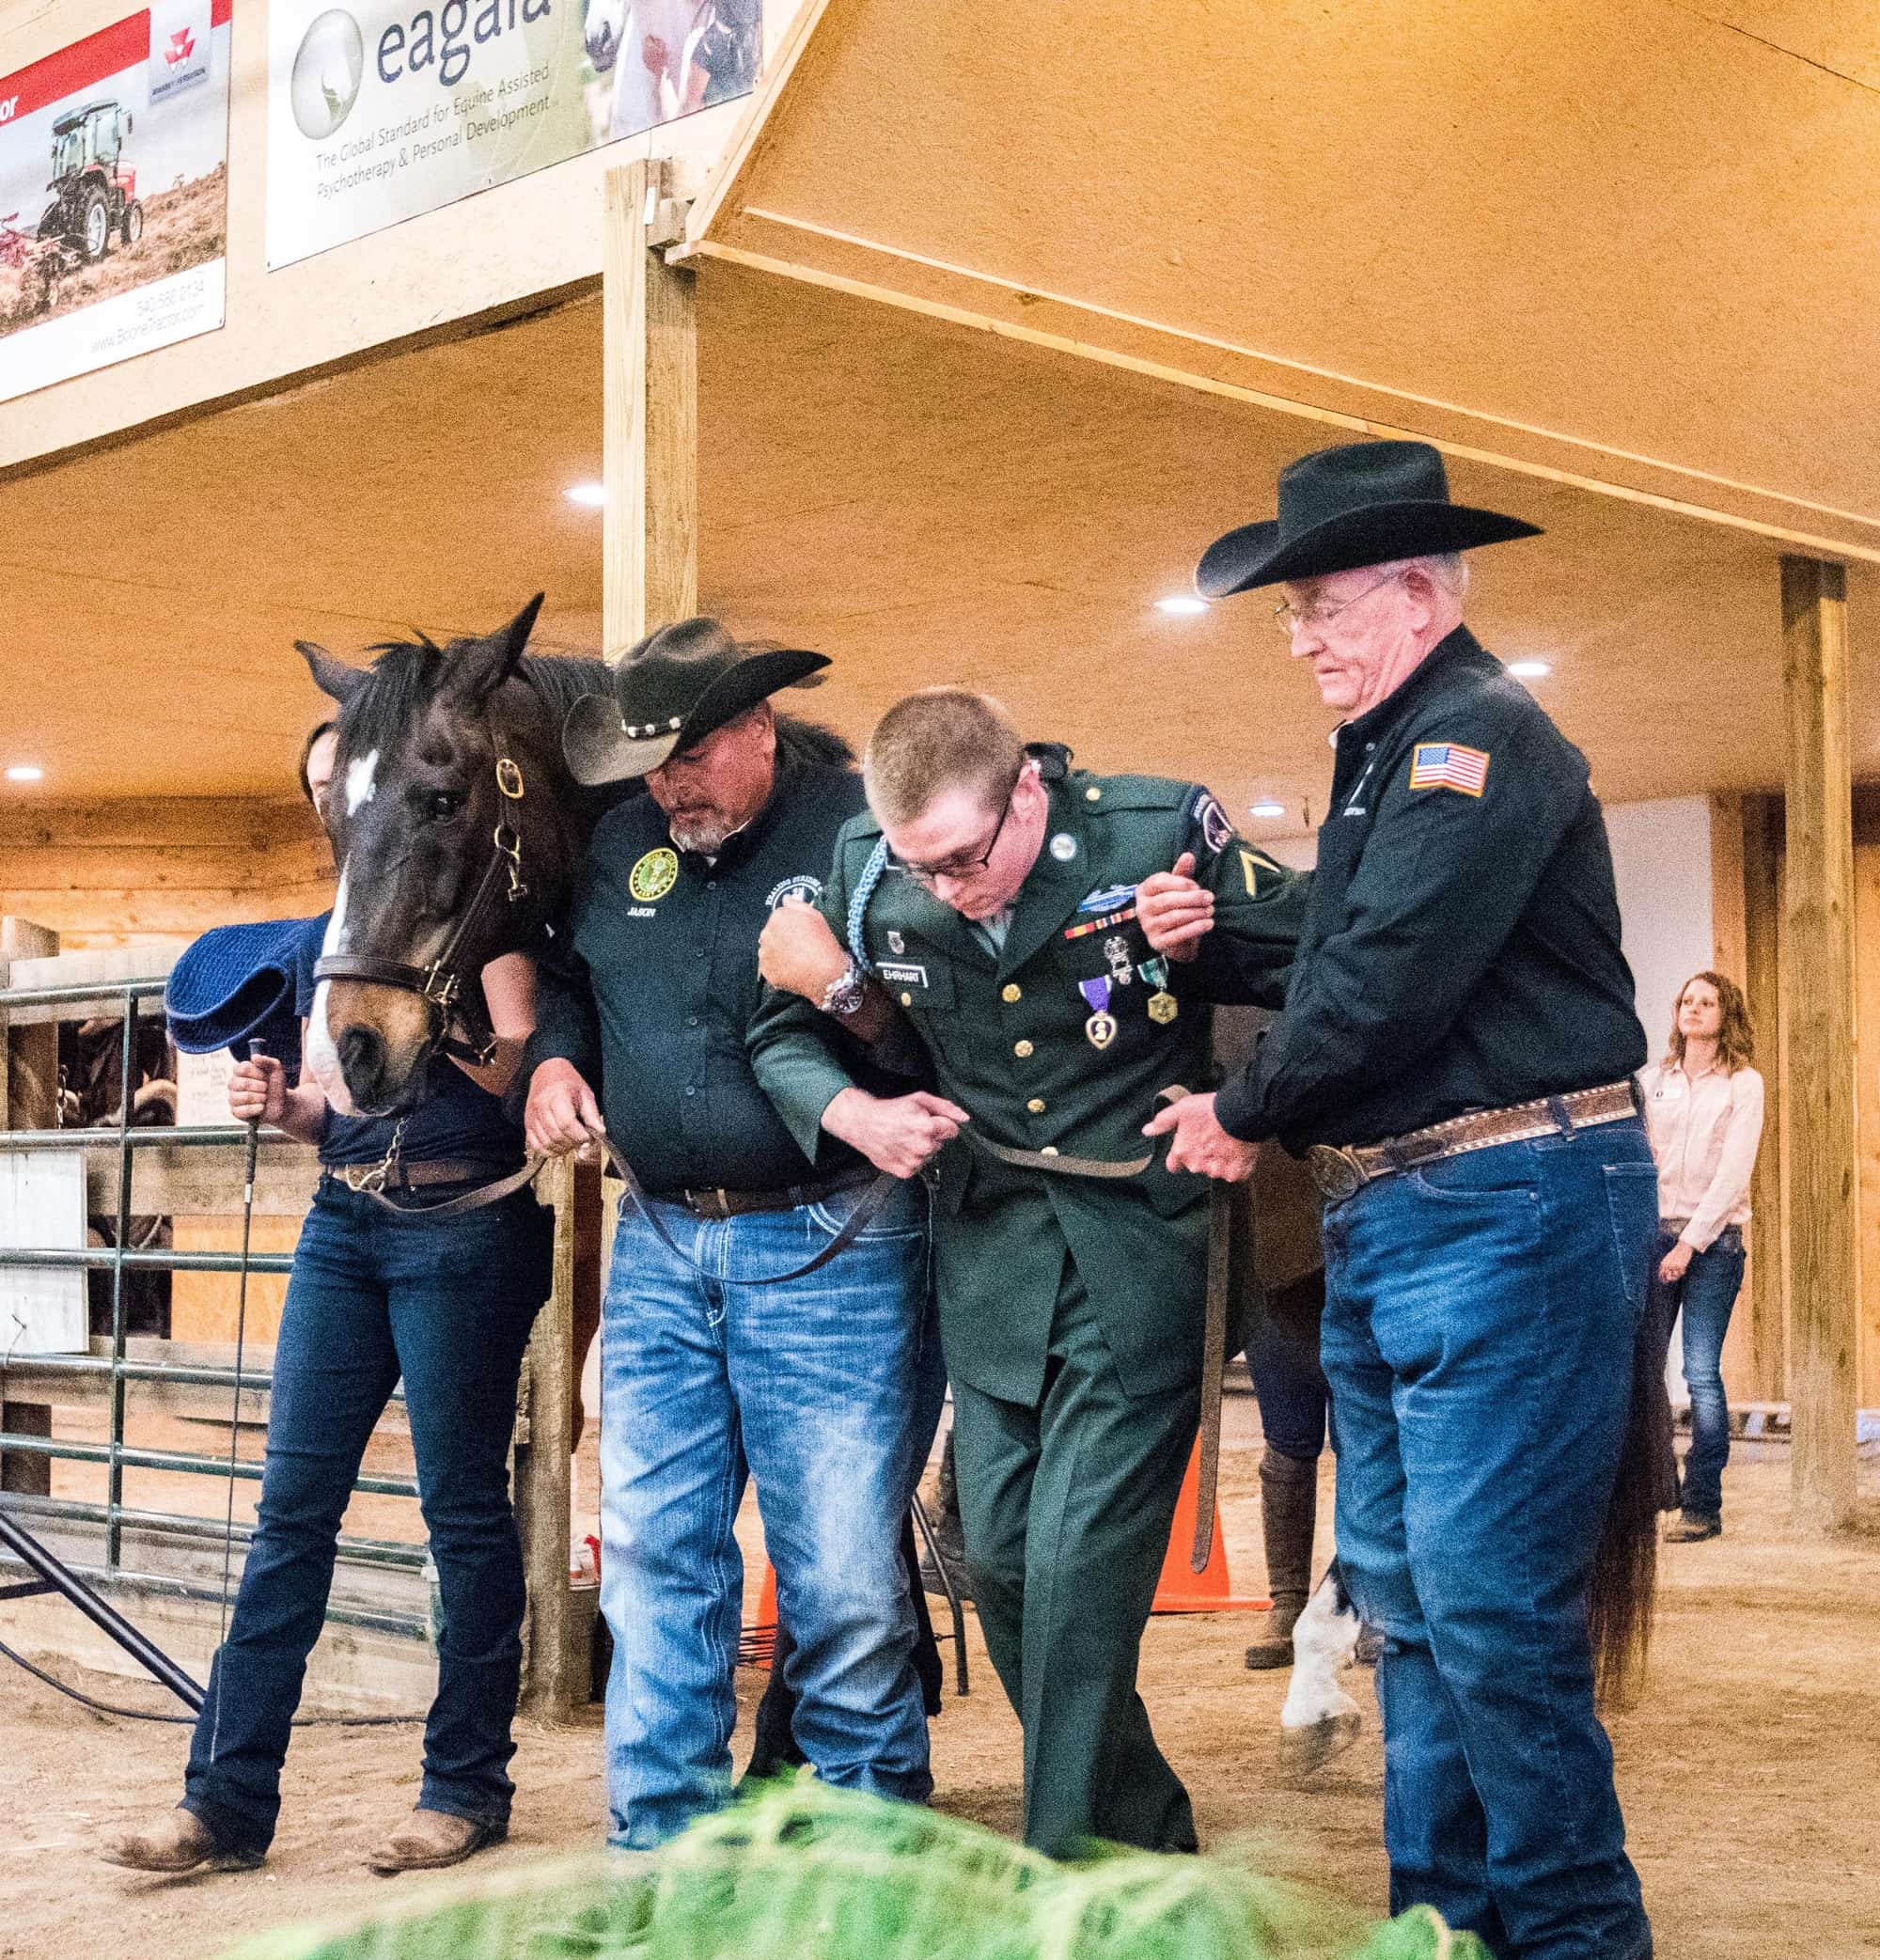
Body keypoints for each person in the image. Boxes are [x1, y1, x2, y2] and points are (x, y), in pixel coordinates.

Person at [1145, 439, 1659, 1960]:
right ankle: (1443, 1930)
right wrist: (1215, 936)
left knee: (1489, 1614)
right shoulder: (1398, 750)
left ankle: (1576, 1940)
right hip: (1416, 1212)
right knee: (1413, 1614)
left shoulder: (1473, 741)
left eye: (1323, 607)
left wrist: (1241, 1110)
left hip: (1505, 1203)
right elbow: (1342, 940)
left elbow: (1385, 981)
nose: (1301, 638)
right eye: (1293, 612)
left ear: (1420, 594)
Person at [748, 689, 1307, 1858]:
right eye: (923, 868)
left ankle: (1063, 1865)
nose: (947, 889)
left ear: (1028, 792)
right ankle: (1140, 1826)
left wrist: (1217, 970)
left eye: (965, 859)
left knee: (1074, 1571)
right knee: (998, 1563)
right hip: (991, 1259)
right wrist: (855, 1115)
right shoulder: (864, 868)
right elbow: (779, 1032)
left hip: (1139, 1253)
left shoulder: (1153, 829)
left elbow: (1329, 957)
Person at [524, 619, 943, 1850]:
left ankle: (869, 1849)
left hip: (835, 1240)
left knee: (843, 1577)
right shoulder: (620, 843)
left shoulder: (863, 832)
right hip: (658, 1244)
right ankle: (662, 1847)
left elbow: (941, 1039)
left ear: (759, 727)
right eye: (652, 766)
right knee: (653, 1558)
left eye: (694, 757)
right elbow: (567, 981)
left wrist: (843, 994)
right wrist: (553, 1060)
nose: (672, 788)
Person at [105, 726, 553, 1878]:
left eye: (339, 782)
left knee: (460, 1512)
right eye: (314, 790)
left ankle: (465, 1786)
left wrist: (432, 1013)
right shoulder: (333, 937)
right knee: (290, 1514)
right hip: (344, 1224)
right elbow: (337, 1111)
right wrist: (285, 1105)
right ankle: (223, 1800)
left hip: (463, 1226)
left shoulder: (478, 917)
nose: (328, 805)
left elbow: (515, 1068)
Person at [1637, 971, 1763, 1543]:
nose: (1693, 1008)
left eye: (1707, 1002)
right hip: (1654, 1235)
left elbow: (1733, 1173)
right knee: (1645, 1370)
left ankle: (1702, 1506)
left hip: (1714, 1243)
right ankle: (1654, 1491)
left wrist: (1689, 1244)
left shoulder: (1743, 1084)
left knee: (1701, 1374)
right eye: (1687, 1000)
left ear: (1725, 1014)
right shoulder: (1654, 1080)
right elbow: (1641, 1154)